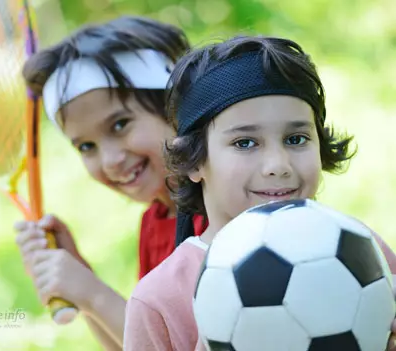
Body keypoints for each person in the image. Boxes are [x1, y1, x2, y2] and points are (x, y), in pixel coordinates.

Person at [123, 35, 396, 351]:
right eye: (245, 143)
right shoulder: (159, 299)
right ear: (194, 161)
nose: (278, 165)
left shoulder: (362, 249)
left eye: (295, 139)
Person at [13, 16, 207, 349]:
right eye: (86, 146)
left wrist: (91, 292)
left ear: (175, 107)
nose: (110, 160)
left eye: (119, 125)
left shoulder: (220, 215)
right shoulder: (154, 223)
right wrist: (82, 284)